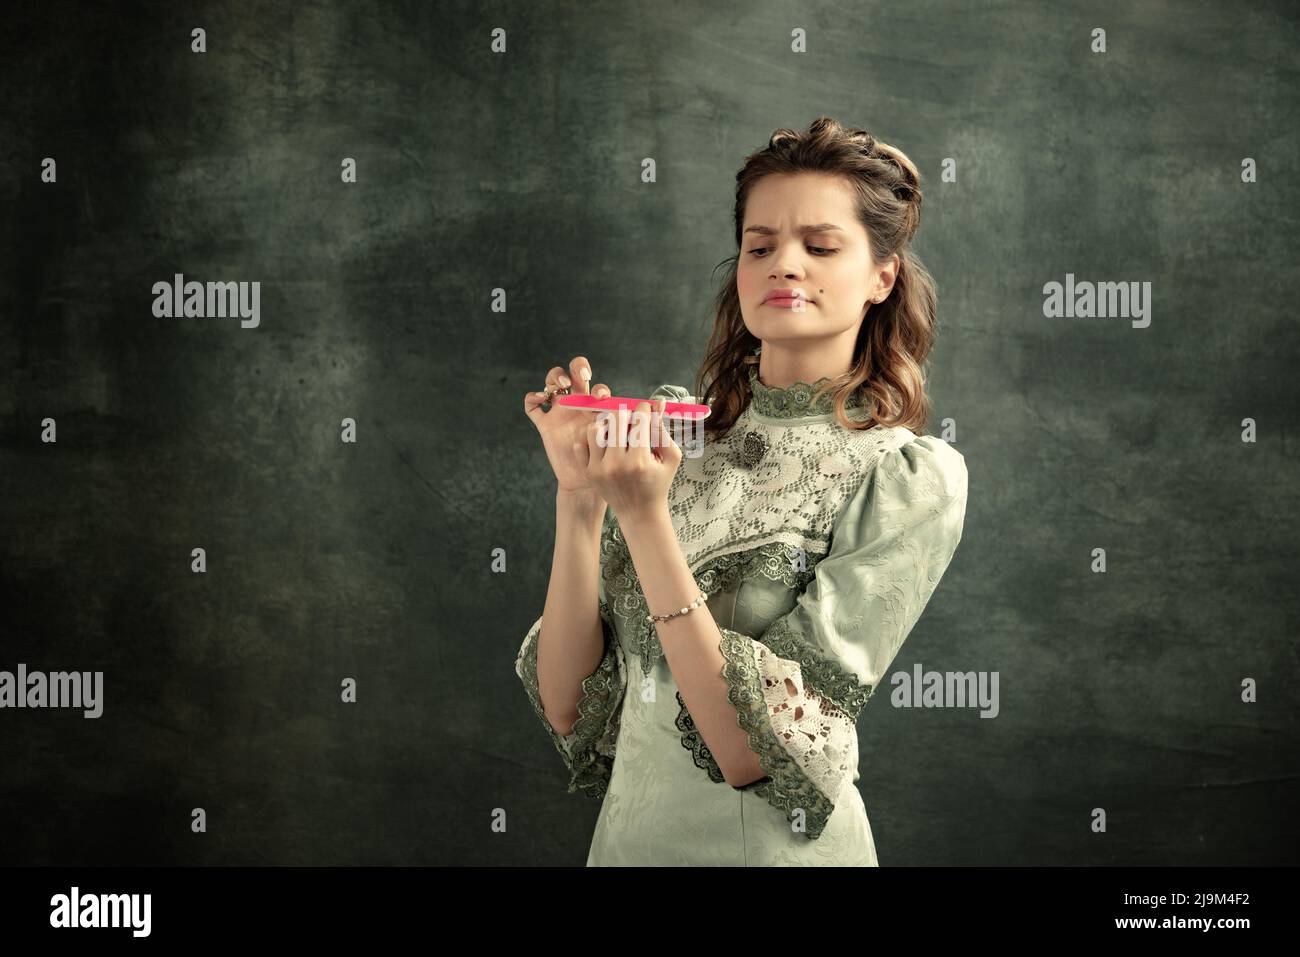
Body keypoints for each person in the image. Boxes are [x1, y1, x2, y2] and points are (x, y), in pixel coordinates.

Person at [515, 116, 968, 866]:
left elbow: (747, 754)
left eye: (820, 246)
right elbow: (568, 709)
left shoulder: (903, 478)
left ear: (882, 276)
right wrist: (580, 496)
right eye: (760, 246)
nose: (783, 264)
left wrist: (644, 513)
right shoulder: (674, 434)